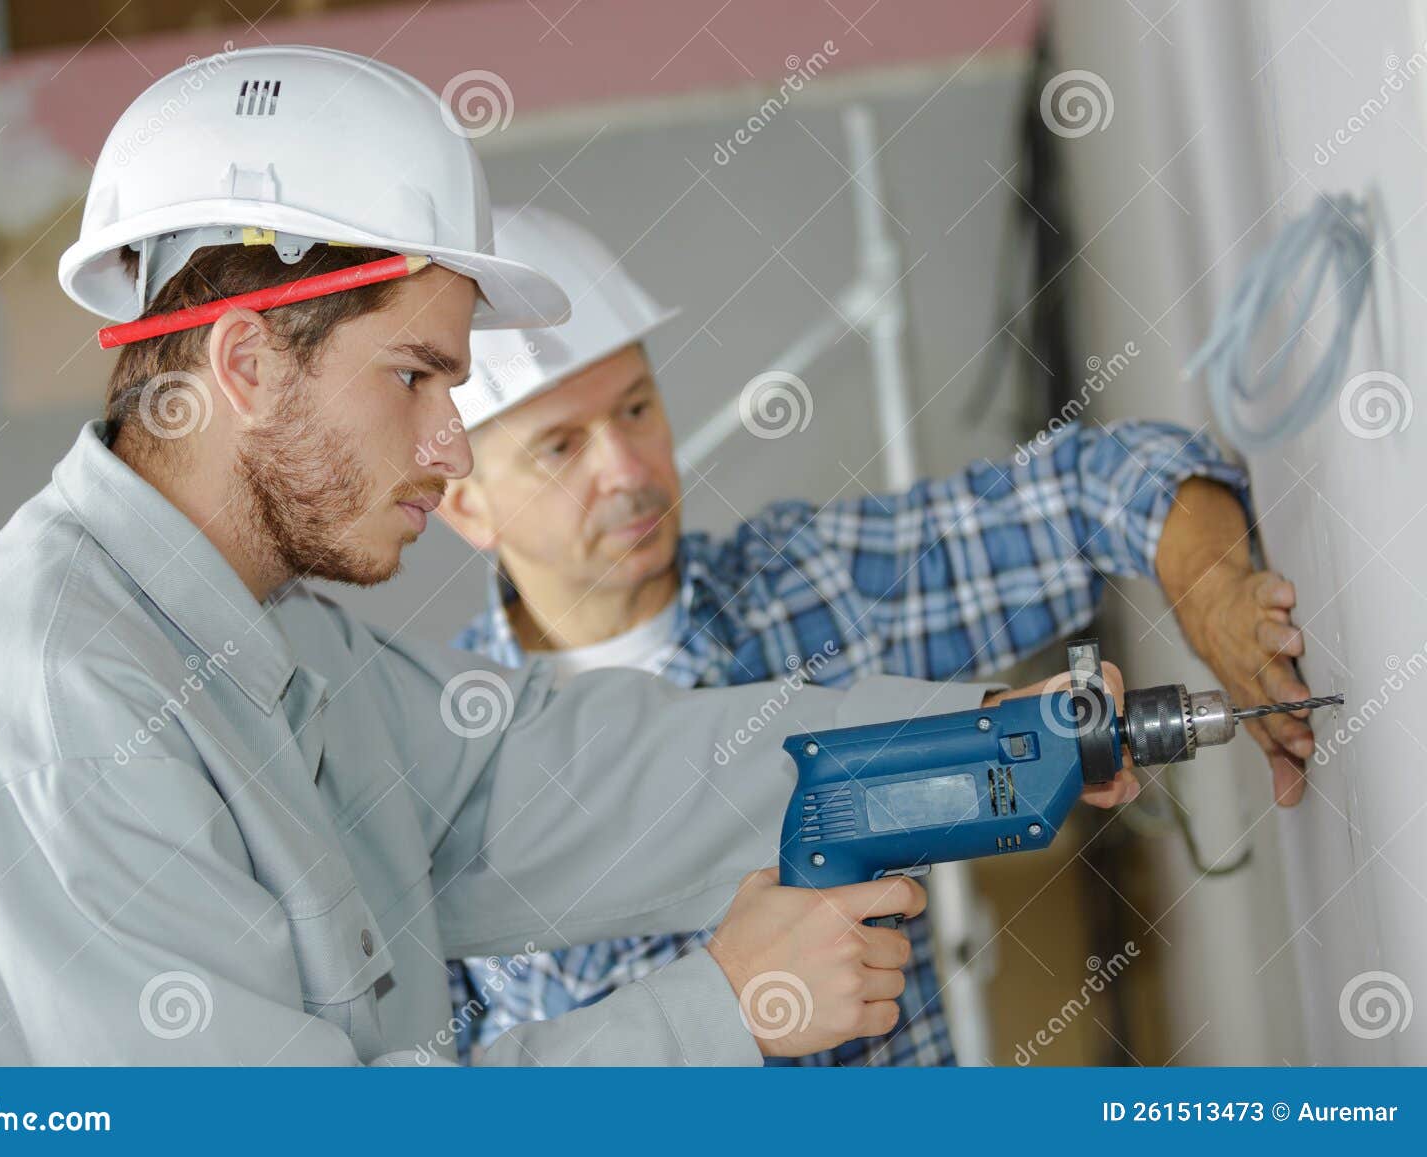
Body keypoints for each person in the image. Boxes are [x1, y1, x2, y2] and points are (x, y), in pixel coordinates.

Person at [0, 45, 1141, 1068]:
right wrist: (720, 1007)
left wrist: (993, 745)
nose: (452, 449)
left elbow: (558, 783)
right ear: (244, 364)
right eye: (414, 377)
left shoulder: (266, 634)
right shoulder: (59, 709)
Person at [435, 206, 1314, 1064]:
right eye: (558, 447)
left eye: (634, 409)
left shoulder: (809, 593)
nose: (627, 471)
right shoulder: (444, 760)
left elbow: (1102, 484)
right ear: (464, 500)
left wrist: (1217, 600)